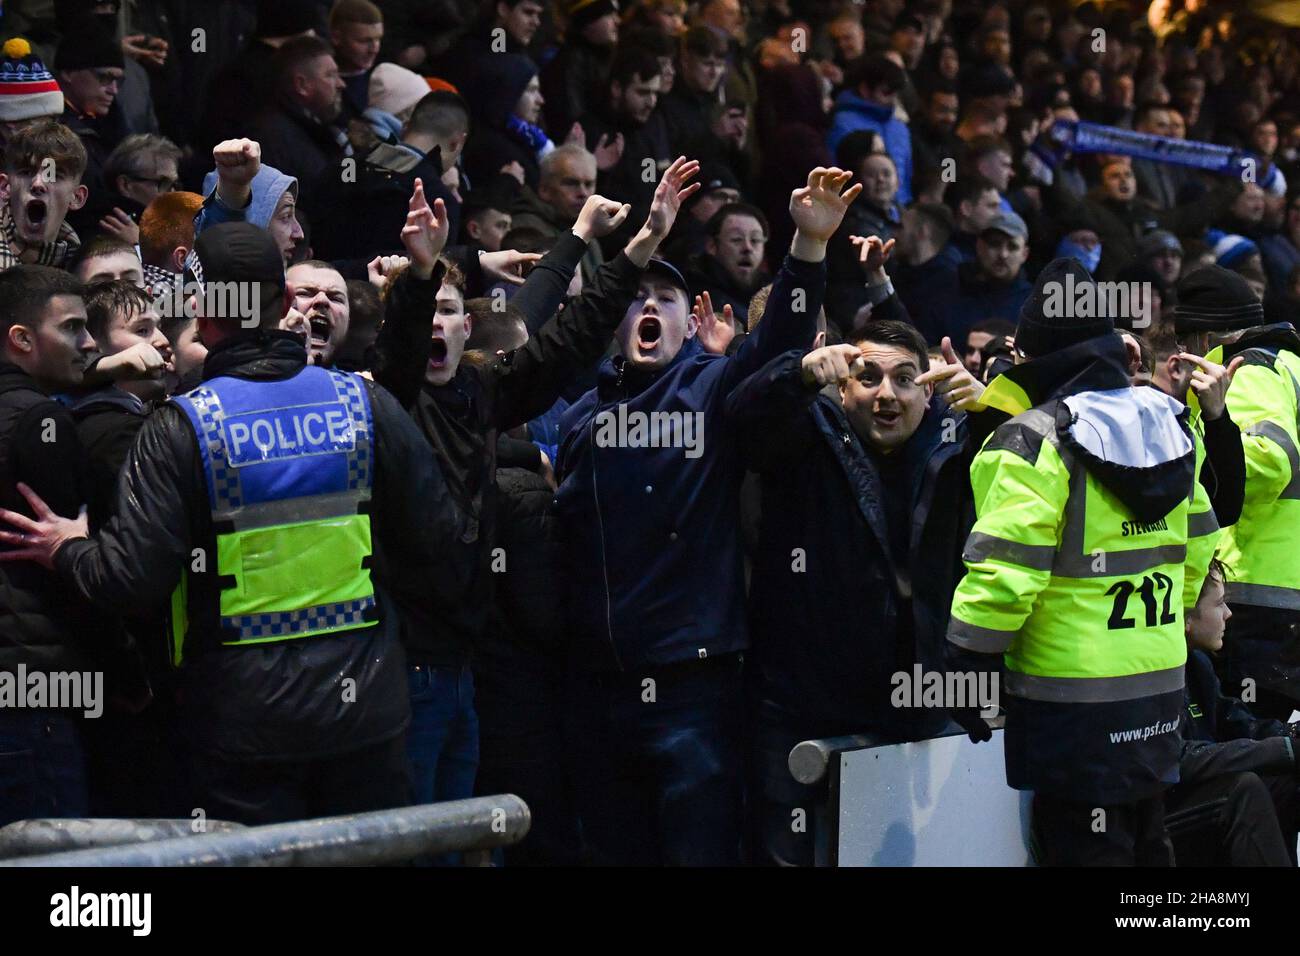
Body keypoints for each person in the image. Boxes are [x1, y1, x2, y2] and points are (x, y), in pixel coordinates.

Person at [0, 222, 463, 826]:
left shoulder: (180, 426)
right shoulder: (362, 403)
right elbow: (442, 539)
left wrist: (67, 548)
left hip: (245, 726)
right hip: (368, 714)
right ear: (284, 304)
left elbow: (133, 580)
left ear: (201, 309)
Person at [370, 162, 703, 858]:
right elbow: (400, 355)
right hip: (404, 666)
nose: (436, 323)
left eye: (449, 313)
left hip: (462, 667)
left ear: (471, 331)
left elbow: (563, 337)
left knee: (459, 846)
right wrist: (424, 271)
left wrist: (635, 246)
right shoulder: (389, 397)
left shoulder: (484, 393)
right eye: (427, 309)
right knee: (407, 849)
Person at [555, 167, 862, 866]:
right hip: (597, 685)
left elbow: (777, 343)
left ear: (687, 321)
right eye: (633, 300)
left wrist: (809, 246)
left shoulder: (712, 388)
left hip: (693, 687)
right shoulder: (578, 418)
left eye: (664, 296)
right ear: (613, 320)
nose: (648, 309)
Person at [945, 258, 1217, 866]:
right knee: (1150, 857)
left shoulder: (1030, 439)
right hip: (1158, 693)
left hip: (1069, 708)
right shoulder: (1172, 428)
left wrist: (967, 657)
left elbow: (1007, 569)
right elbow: (1198, 547)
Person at [726, 323, 982, 865]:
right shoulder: (804, 438)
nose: (887, 393)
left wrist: (993, 412)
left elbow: (1045, 476)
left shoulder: (962, 447)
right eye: (869, 377)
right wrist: (793, 376)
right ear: (843, 388)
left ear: (928, 392)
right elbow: (741, 423)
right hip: (801, 709)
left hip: (916, 710)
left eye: (904, 379)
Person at [1175, 266, 1300, 721]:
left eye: (1183, 343)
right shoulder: (1290, 364)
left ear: (1204, 337)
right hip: (1280, 598)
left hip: (1258, 596)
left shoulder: (1247, 369)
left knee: (1256, 744)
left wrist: (1205, 440)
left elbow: (1268, 463)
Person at [0, 265, 98, 828]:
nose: (89, 343)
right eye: (73, 328)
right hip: (31, 688)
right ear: (22, 339)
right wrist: (128, 680)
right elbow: (71, 574)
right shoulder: (41, 421)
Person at [1163, 561, 1300, 866]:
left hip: (1194, 805)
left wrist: (1292, 735)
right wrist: (1283, 750)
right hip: (1152, 822)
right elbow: (1175, 760)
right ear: (1186, 617)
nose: (1228, 614)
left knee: (1289, 782)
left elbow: (1240, 723)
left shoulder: (1197, 664)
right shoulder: (1157, 673)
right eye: (1220, 603)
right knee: (1243, 789)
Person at [246, 36, 350, 197]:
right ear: (302, 85)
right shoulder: (274, 136)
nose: (341, 84)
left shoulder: (314, 128)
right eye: (330, 75)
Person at [924, 210, 1032, 344]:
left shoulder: (1033, 306)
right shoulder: (947, 294)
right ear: (979, 246)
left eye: (1012, 247)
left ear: (1024, 254)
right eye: (995, 244)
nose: (1003, 254)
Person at [511, 145, 606, 285]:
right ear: (544, 190)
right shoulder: (525, 228)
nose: (583, 193)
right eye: (571, 183)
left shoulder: (590, 235)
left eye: (589, 184)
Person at [0, 121, 87, 271]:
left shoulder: (84, 270)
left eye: (54, 176)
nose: (38, 184)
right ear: (4, 187)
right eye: (26, 172)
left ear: (77, 197)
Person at [827, 55, 913, 204]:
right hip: (858, 211)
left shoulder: (899, 127)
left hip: (899, 213)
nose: (892, 100)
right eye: (886, 92)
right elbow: (835, 175)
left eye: (895, 93)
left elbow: (906, 176)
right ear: (865, 89)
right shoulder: (843, 123)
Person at [685, 203, 769, 330]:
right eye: (736, 239)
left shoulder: (776, 293)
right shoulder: (692, 294)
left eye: (755, 240)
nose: (747, 248)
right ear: (711, 245)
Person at [330, 0, 385, 115]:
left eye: (378, 39)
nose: (374, 49)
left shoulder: (386, 81)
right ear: (336, 37)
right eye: (364, 41)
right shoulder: (321, 85)